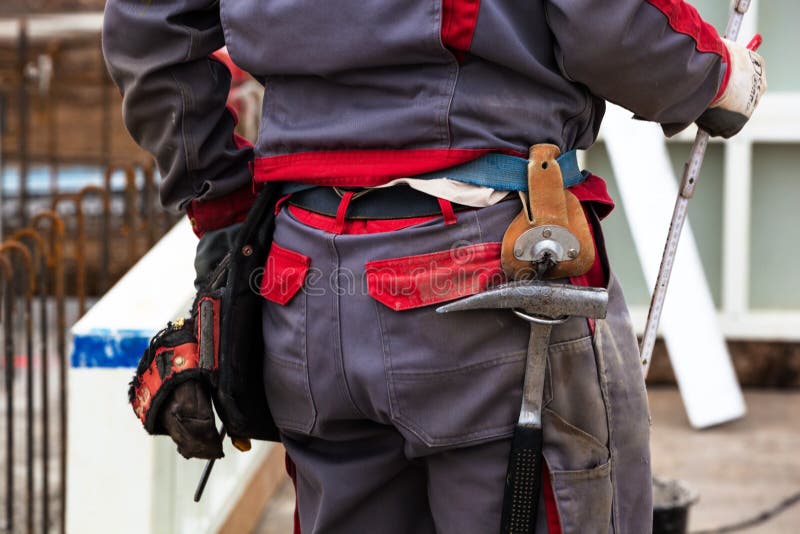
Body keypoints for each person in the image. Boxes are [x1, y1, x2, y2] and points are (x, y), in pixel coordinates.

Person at [103, 1, 766, 532]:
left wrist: (223, 205)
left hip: (300, 275)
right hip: (483, 271)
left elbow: (148, 33)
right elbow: (609, 27)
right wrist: (715, 74)